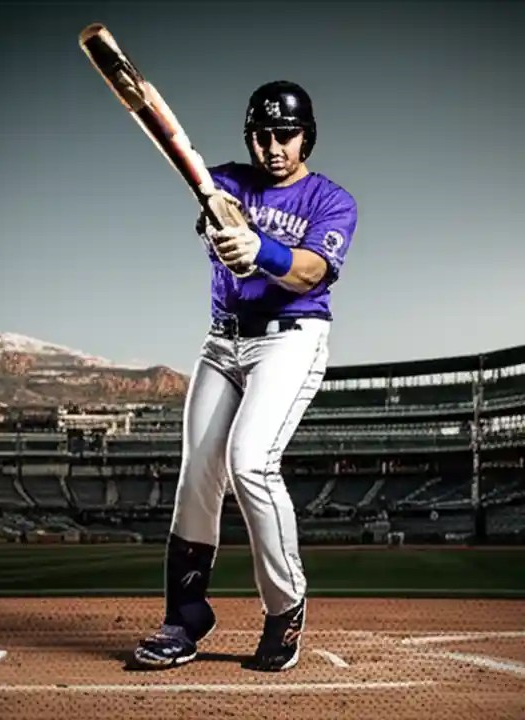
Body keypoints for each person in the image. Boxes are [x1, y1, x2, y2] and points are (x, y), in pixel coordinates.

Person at [131, 81, 358, 672]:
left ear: (307, 134)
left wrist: (262, 251)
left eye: (286, 134)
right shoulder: (224, 182)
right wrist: (218, 226)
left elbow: (309, 272)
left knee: (249, 461)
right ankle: (184, 618)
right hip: (222, 341)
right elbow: (204, 195)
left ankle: (285, 609)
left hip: (291, 338)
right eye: (263, 135)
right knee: (197, 473)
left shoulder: (332, 201)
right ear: (250, 138)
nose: (274, 146)